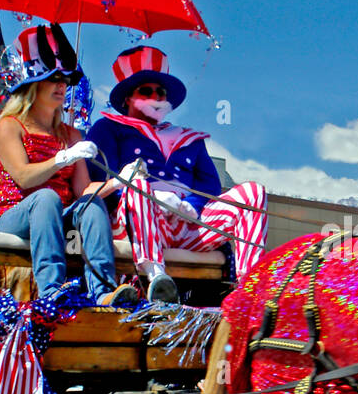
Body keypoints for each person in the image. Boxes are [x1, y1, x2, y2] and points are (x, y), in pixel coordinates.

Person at [86, 45, 268, 302]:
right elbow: (101, 181)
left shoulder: (189, 138)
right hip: (135, 223)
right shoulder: (109, 128)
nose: (157, 97)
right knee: (139, 185)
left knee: (253, 193)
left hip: (188, 225)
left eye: (161, 92)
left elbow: (210, 187)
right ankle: (156, 277)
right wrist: (154, 199)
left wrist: (188, 207)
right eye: (146, 91)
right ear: (128, 98)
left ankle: (249, 291)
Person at [0, 24, 138, 307]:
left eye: (66, 79)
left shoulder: (72, 135)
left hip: (58, 216)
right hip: (14, 216)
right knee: (46, 197)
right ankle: (52, 289)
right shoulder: (9, 126)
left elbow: (81, 191)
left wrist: (118, 182)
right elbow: (24, 178)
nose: (62, 85)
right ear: (32, 85)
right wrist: (62, 158)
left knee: (91, 205)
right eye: (54, 78)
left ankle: (103, 290)